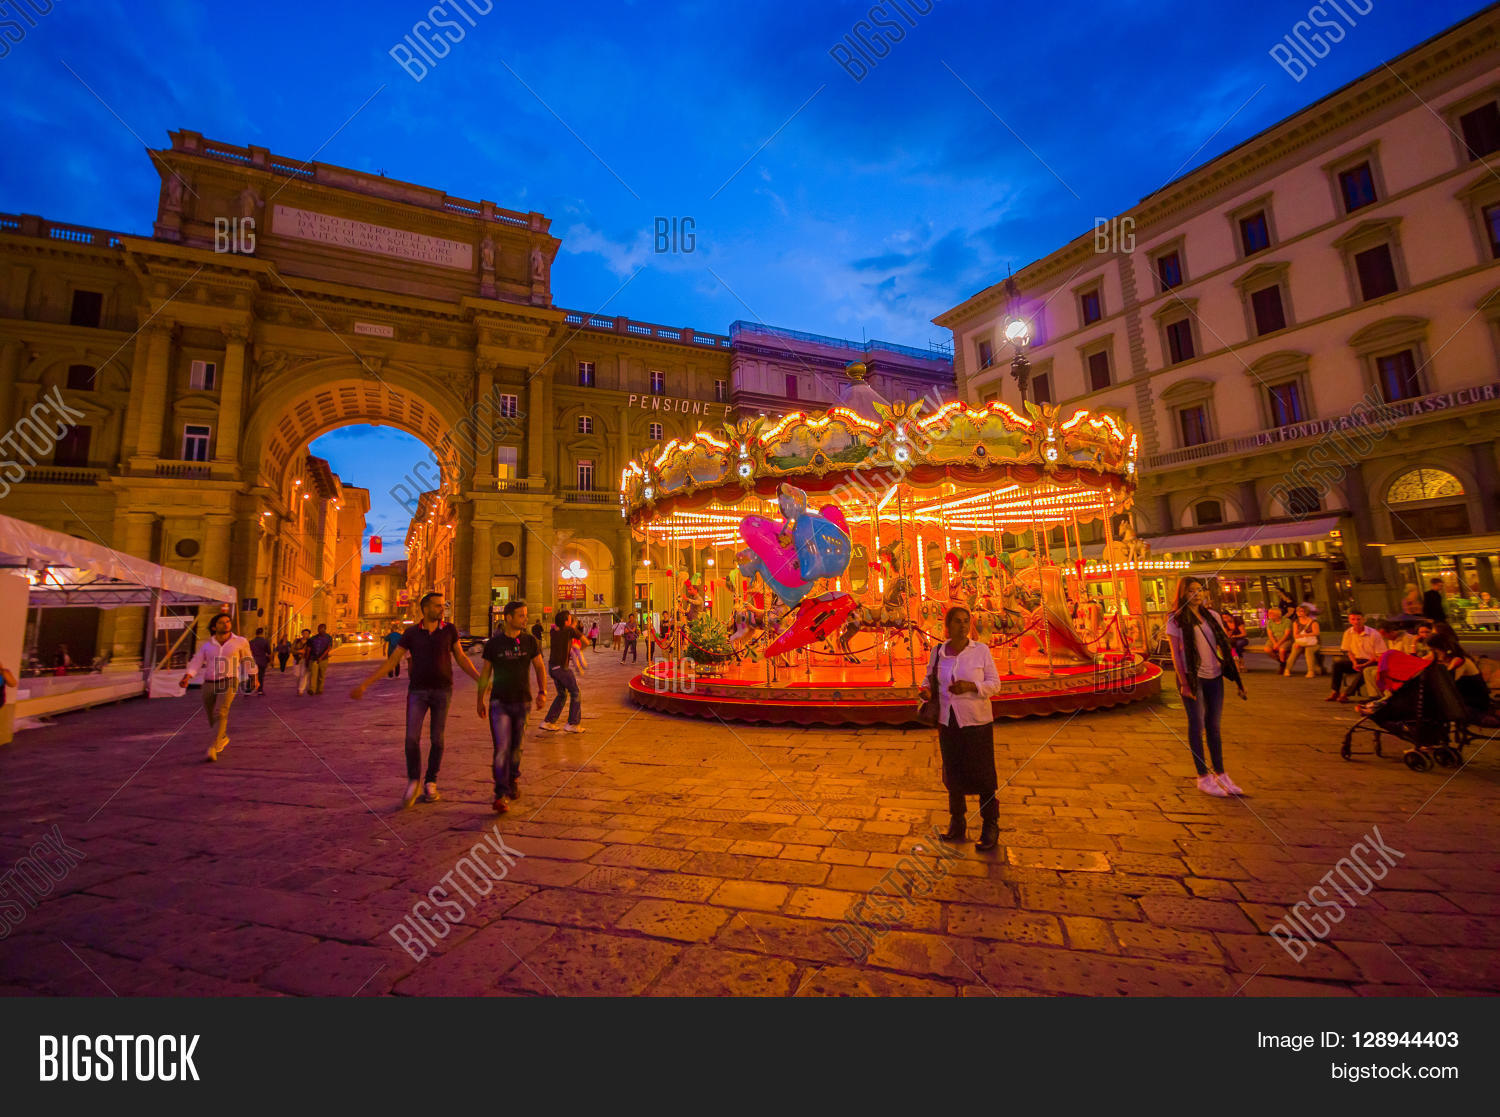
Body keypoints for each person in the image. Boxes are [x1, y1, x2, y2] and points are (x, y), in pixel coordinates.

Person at [351, 592, 481, 808]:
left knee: (437, 739)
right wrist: (366, 683)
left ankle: (431, 781)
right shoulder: (411, 633)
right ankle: (414, 780)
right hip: (417, 692)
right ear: (426, 608)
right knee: (411, 738)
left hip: (442, 690)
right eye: (438, 606)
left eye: (443, 606)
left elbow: (461, 657)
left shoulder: (449, 630)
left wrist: (480, 680)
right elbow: (393, 660)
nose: (442, 609)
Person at [918, 605, 1002, 850]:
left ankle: (990, 824)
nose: (963, 626)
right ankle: (957, 821)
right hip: (948, 720)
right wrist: (926, 690)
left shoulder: (981, 651)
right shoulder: (938, 652)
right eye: (957, 621)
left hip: (977, 721)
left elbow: (995, 684)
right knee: (952, 773)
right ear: (948, 626)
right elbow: (928, 678)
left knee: (984, 774)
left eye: (966, 621)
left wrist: (972, 686)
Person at [1164, 576, 1247, 798]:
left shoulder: (1214, 616)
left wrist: (1235, 667)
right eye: (1192, 591)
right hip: (1192, 677)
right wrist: (1183, 682)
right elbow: (1175, 653)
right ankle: (1203, 776)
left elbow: (1223, 643)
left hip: (1215, 674)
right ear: (1183, 594)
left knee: (1214, 725)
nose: (1197, 594)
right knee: (1197, 724)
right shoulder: (1176, 619)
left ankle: (1221, 774)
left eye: (1200, 590)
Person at [477, 599, 547, 813]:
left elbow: (540, 668)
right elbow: (486, 673)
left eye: (525, 615)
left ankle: (513, 778)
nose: (525, 618)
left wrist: (542, 692)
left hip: (522, 701)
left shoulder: (530, 641)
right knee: (501, 749)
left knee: (517, 749)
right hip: (499, 702)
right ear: (508, 618)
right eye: (521, 615)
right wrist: (479, 698)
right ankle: (500, 793)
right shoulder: (494, 644)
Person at [179, 613, 256, 762]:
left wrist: (254, 677)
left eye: (228, 621)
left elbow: (248, 659)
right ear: (214, 627)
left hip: (229, 680)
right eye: (221, 622)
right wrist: (187, 677)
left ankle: (213, 747)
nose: (226, 624)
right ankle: (222, 737)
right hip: (209, 682)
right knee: (211, 715)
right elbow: (196, 661)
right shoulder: (207, 645)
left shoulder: (240, 642)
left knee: (220, 712)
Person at [540, 608, 586, 733]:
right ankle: (573, 723)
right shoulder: (569, 630)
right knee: (575, 692)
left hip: (552, 668)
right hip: (562, 669)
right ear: (567, 621)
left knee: (562, 694)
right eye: (570, 618)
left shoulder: (553, 632)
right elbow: (585, 641)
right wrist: (580, 649)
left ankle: (548, 721)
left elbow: (555, 627)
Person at [1426, 632, 1489, 717]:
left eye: (1433, 650)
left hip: (1473, 703)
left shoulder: (1460, 660)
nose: (1432, 653)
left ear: (1444, 648)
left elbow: (1447, 684)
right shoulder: (1445, 660)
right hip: (1461, 699)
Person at [1328, 610, 1385, 703]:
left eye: (1358, 619)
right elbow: (1348, 650)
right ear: (1349, 620)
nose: (1356, 622)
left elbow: (1379, 655)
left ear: (1364, 620)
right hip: (1356, 660)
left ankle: (1347, 693)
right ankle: (1335, 691)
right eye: (1353, 619)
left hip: (1371, 661)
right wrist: (1354, 662)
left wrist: (1365, 664)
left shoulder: (1374, 634)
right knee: (1337, 665)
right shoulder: (1348, 633)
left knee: (1365, 670)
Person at [1283, 605, 1320, 678]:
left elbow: (1316, 633)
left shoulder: (1313, 622)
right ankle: (1287, 670)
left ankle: (1311, 671)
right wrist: (1298, 641)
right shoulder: (1296, 622)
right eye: (1298, 611)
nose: (1299, 613)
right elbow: (1295, 635)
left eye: (1301, 611)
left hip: (1312, 643)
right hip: (1301, 642)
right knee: (1294, 652)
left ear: (1306, 612)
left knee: (1308, 652)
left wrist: (1305, 635)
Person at [304, 623, 334, 695]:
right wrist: (307, 660)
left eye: (321, 628)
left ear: (324, 629)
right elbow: (308, 649)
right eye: (318, 628)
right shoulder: (313, 639)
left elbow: (328, 648)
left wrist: (321, 657)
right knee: (313, 675)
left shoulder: (329, 638)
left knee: (321, 675)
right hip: (314, 659)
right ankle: (312, 689)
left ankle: (319, 689)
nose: (319, 630)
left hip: (323, 660)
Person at [1263, 606, 1292, 671]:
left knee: (1281, 650)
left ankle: (1282, 666)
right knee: (1267, 649)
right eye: (1269, 613)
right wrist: (1274, 643)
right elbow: (1270, 634)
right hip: (1274, 639)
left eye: (1271, 613)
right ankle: (1282, 662)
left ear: (1277, 614)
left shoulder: (1287, 621)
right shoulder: (1270, 622)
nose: (1269, 615)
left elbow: (1286, 634)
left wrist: (1278, 644)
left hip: (1284, 639)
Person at [248, 627, 272, 695]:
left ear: (256, 633)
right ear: (262, 633)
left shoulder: (251, 642)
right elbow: (269, 652)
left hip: (253, 660)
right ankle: (260, 690)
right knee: (261, 676)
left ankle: (248, 689)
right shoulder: (265, 641)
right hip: (262, 661)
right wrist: (270, 661)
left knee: (251, 675)